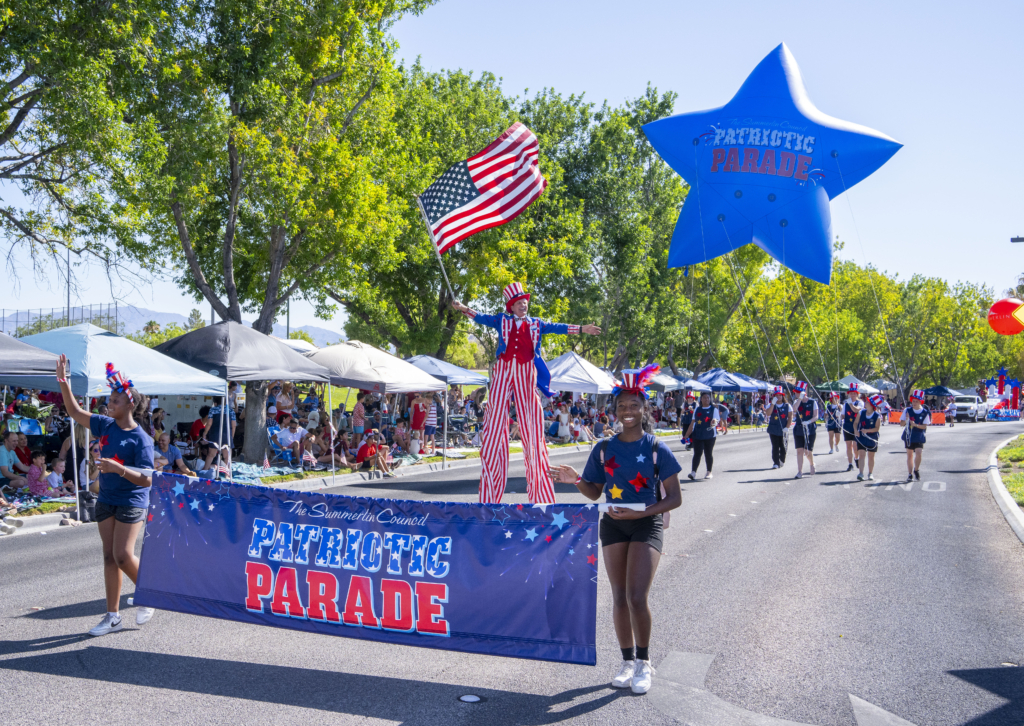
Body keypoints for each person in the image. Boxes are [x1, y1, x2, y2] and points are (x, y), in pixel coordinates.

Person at [549, 366, 682, 695]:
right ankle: (626, 661)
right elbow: (595, 493)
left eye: (634, 405)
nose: (627, 411)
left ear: (644, 409)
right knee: (620, 597)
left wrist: (643, 512)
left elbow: (675, 497)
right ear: (615, 410)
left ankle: (644, 662)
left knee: (637, 597)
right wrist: (576, 480)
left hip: (646, 523)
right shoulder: (604, 448)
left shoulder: (656, 447)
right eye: (622, 406)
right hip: (612, 525)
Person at [453, 281, 601, 503]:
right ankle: (489, 497)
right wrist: (464, 308)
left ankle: (540, 496)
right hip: (504, 369)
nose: (523, 305)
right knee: (495, 425)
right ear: (511, 306)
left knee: (532, 426)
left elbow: (558, 327)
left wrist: (582, 329)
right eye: (519, 303)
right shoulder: (502, 320)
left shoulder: (536, 324)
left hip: (525, 370)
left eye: (525, 302)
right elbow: (481, 317)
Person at [56, 356, 156, 636]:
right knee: (109, 557)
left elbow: (148, 479)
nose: (109, 404)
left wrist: (118, 469)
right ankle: (113, 617)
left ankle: (149, 593)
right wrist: (63, 381)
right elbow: (74, 411)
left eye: (115, 400)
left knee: (123, 556)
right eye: (109, 400)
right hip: (106, 500)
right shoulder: (104, 424)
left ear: (130, 405)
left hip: (131, 501)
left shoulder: (142, 439)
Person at [684, 391, 719, 480]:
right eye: (704, 398)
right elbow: (692, 423)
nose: (706, 399)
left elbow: (716, 420)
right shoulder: (697, 409)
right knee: (697, 453)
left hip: (710, 435)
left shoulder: (714, 409)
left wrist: (713, 422)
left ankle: (709, 472)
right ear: (701, 399)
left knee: (708, 453)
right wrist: (686, 435)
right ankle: (693, 472)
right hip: (698, 434)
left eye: (708, 398)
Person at [900, 389, 930, 482]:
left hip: (919, 436)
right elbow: (901, 424)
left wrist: (915, 425)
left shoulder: (925, 412)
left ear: (920, 402)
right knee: (909, 455)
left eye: (916, 401)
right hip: (909, 436)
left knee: (919, 453)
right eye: (913, 401)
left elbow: (924, 426)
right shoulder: (907, 410)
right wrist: (906, 419)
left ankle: (916, 470)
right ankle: (910, 474)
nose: (914, 403)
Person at [203, 396, 236, 476]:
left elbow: (209, 423)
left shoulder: (212, 410)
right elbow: (234, 425)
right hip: (226, 435)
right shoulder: (230, 410)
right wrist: (231, 436)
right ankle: (227, 476)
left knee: (211, 455)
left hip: (215, 434)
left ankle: (204, 473)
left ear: (215, 402)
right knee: (227, 457)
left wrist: (205, 433)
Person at [854, 395, 883, 481]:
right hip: (861, 437)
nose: (865, 403)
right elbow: (855, 423)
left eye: (867, 402)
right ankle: (861, 473)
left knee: (871, 455)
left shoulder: (877, 415)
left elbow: (877, 428)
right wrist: (855, 430)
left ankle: (870, 473)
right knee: (861, 454)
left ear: (871, 405)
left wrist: (867, 430)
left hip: (872, 437)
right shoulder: (861, 412)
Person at [792, 382, 817, 479]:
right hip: (799, 428)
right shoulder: (796, 402)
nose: (796, 393)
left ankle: (811, 463)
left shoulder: (812, 402)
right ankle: (799, 471)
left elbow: (816, 416)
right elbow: (794, 409)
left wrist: (809, 421)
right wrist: (799, 399)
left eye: (798, 392)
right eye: (796, 392)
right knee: (799, 451)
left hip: (809, 429)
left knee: (807, 451)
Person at [765, 386, 793, 470]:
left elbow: (790, 417)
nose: (778, 397)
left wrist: (787, 427)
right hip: (773, 429)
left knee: (783, 446)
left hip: (783, 429)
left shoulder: (787, 406)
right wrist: (772, 404)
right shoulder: (770, 405)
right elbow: (768, 414)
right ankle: (776, 462)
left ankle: (782, 460)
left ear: (782, 396)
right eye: (776, 395)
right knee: (775, 446)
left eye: (780, 395)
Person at [841, 384, 864, 472]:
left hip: (857, 427)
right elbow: (843, 415)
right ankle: (850, 464)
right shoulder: (846, 404)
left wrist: (850, 404)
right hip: (847, 426)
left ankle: (856, 458)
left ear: (857, 394)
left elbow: (856, 410)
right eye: (851, 393)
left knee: (855, 445)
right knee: (848, 446)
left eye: (854, 393)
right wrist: (839, 415)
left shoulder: (860, 403)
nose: (852, 395)